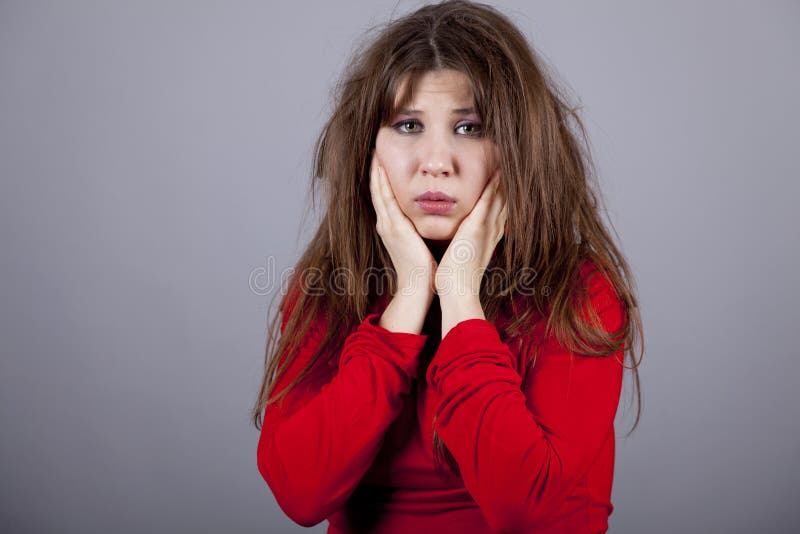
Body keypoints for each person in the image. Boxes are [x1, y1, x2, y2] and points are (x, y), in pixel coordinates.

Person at [252, 1, 644, 532]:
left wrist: (459, 298)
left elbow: (525, 510)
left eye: (470, 128)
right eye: (408, 125)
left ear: (518, 149)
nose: (436, 162)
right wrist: (409, 298)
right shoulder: (327, 288)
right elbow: (300, 492)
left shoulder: (580, 296)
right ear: (369, 148)